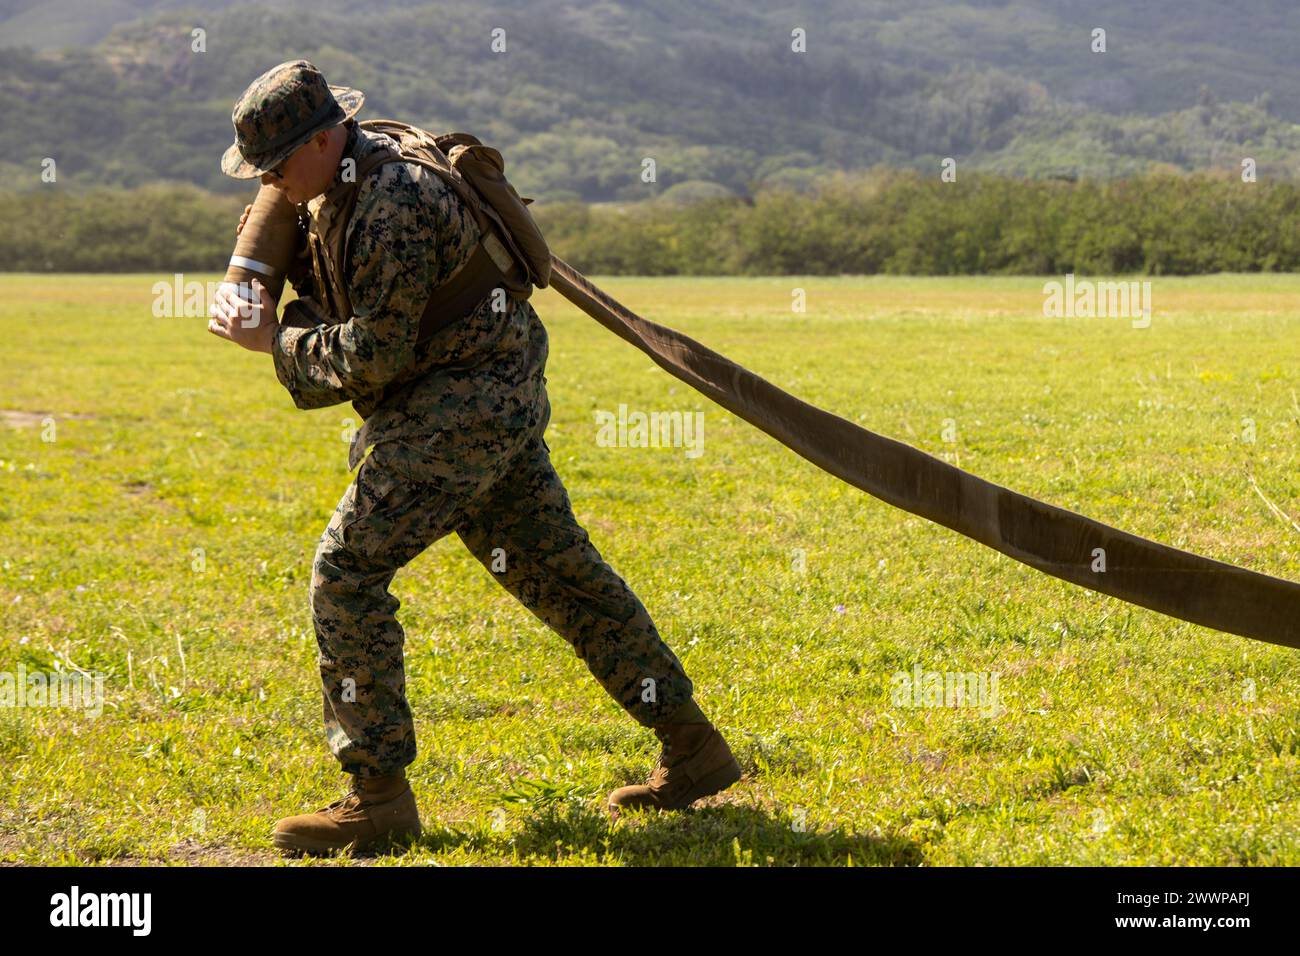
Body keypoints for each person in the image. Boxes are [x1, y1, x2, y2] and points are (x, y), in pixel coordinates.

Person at [206, 59, 741, 855]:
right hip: (492, 396)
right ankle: (695, 749)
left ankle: (378, 796)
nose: (275, 182)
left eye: (282, 163)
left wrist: (274, 342)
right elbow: (340, 286)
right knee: (566, 579)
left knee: (346, 576)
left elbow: (375, 353)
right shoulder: (346, 171)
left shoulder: (388, 202)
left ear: (325, 138)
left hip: (459, 411)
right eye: (266, 172)